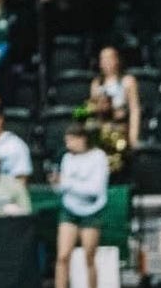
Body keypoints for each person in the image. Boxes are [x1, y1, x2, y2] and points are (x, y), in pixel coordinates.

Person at [55, 122, 109, 288]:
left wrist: (69, 184)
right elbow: (61, 187)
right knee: (63, 256)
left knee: (89, 257)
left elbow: (95, 189)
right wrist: (61, 184)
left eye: (71, 140)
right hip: (69, 210)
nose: (68, 145)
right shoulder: (67, 158)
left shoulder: (99, 157)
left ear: (82, 139)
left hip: (91, 211)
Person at [90, 46, 141, 150]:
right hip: (103, 130)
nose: (105, 62)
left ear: (117, 60)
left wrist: (133, 136)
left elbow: (134, 110)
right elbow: (93, 110)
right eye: (102, 59)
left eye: (109, 58)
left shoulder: (128, 81)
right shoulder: (96, 84)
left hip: (121, 129)